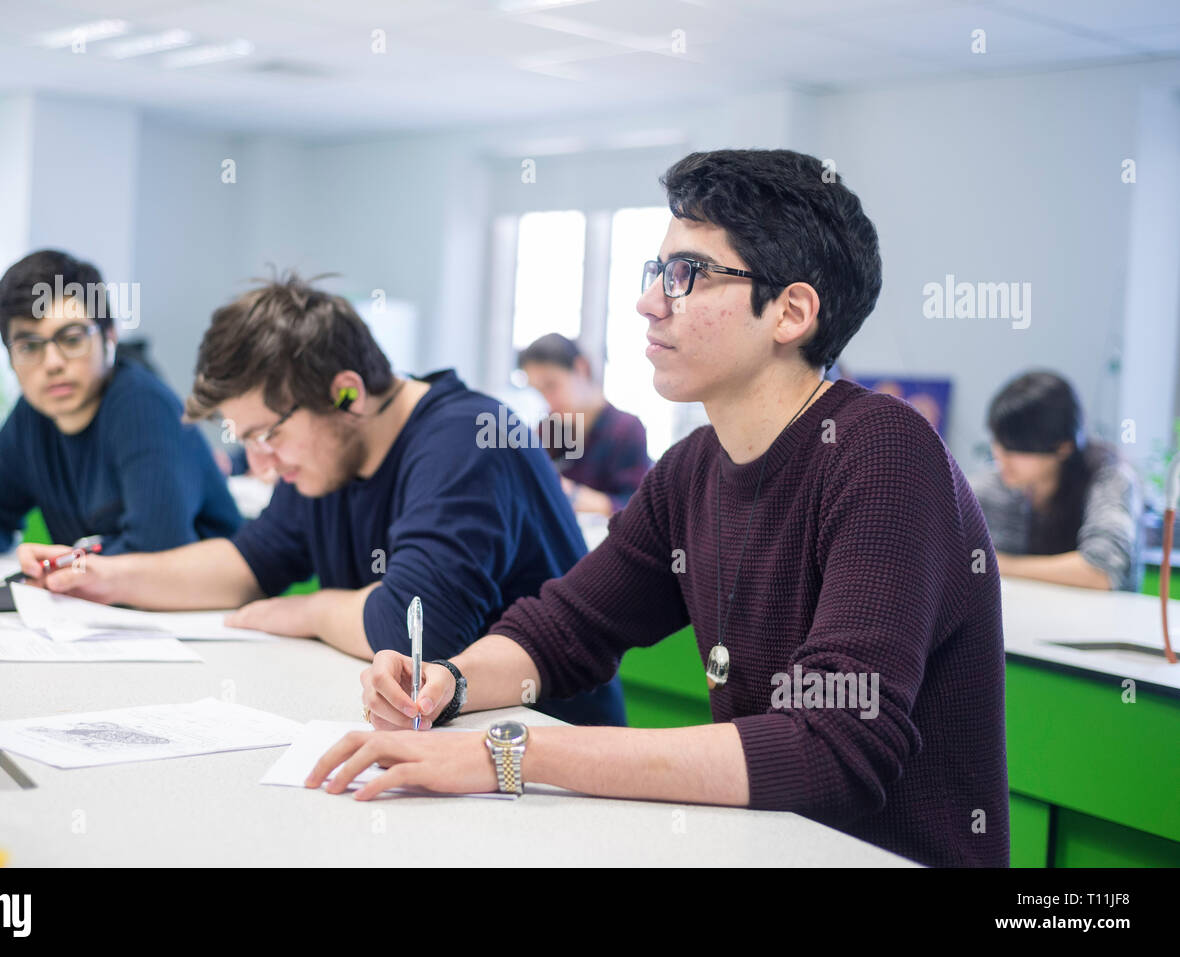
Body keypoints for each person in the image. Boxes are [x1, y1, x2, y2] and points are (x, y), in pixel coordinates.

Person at [311, 149, 1009, 869]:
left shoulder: (887, 453)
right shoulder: (693, 467)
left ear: (791, 312)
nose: (649, 302)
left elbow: (833, 745)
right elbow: (566, 628)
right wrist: (449, 682)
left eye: (687, 274)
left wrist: (509, 753)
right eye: (657, 272)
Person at [18, 274, 626, 727]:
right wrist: (103, 575)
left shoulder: (466, 440)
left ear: (346, 395)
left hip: (539, 752)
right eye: (246, 440)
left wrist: (310, 611)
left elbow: (419, 634)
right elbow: (247, 563)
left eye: (268, 434)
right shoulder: (324, 460)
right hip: (437, 740)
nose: (262, 464)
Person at [0, 249, 240, 564]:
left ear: (110, 338)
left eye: (72, 339)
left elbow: (156, 549)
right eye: (29, 347)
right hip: (101, 593)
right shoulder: (32, 416)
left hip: (205, 592)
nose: (52, 363)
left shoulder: (143, 406)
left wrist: (65, 565)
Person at [970, 370, 1141, 591]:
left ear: (1063, 447)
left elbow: (1101, 573)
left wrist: (997, 564)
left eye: (1016, 448)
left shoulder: (1109, 478)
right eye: (998, 442)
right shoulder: (993, 485)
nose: (1000, 457)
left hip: (1099, 611)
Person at [517, 333, 650, 515]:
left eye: (551, 385)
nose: (547, 400)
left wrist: (573, 495)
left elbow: (637, 509)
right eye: (539, 391)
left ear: (581, 369)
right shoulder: (549, 428)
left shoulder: (626, 429)